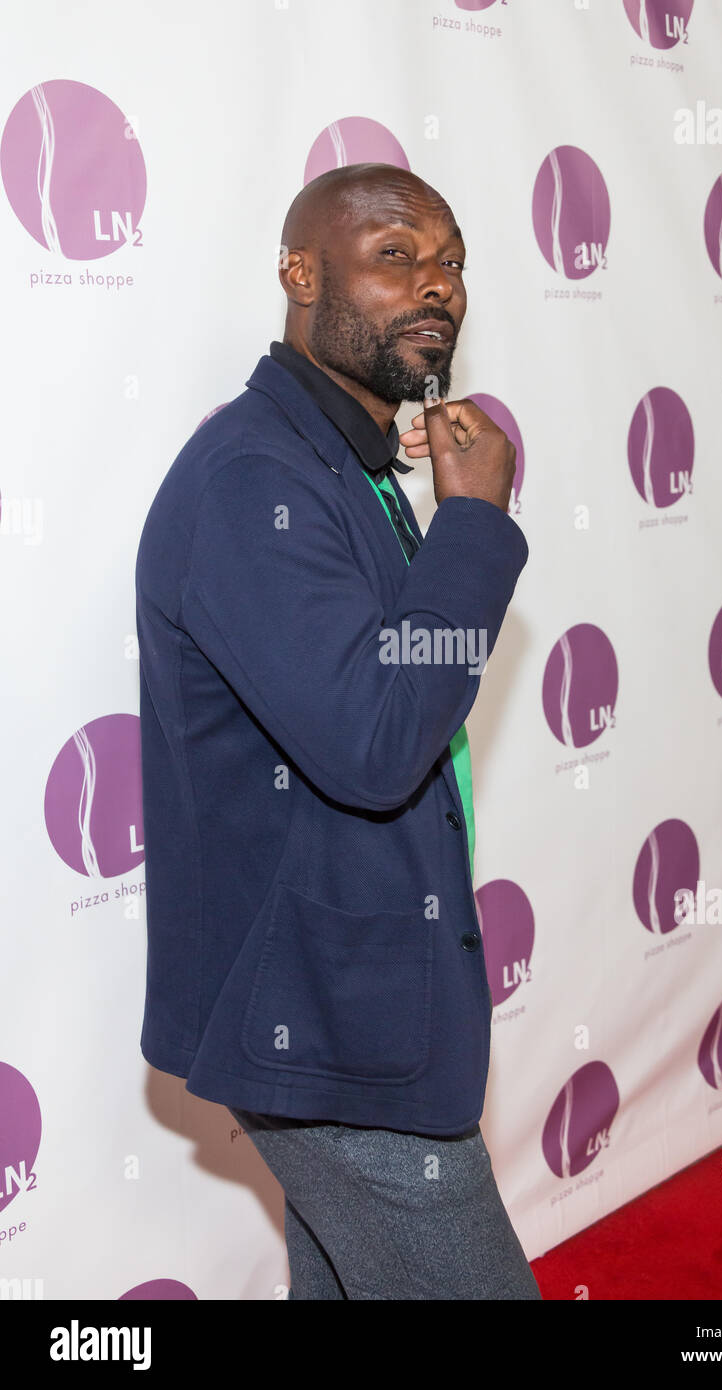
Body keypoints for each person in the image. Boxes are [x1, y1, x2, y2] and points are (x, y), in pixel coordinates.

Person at [135, 161, 539, 1299]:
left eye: (450, 259)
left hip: (345, 1001)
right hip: (318, 1023)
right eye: (393, 256)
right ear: (299, 275)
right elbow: (374, 739)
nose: (435, 286)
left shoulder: (336, 464)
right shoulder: (248, 481)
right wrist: (469, 525)